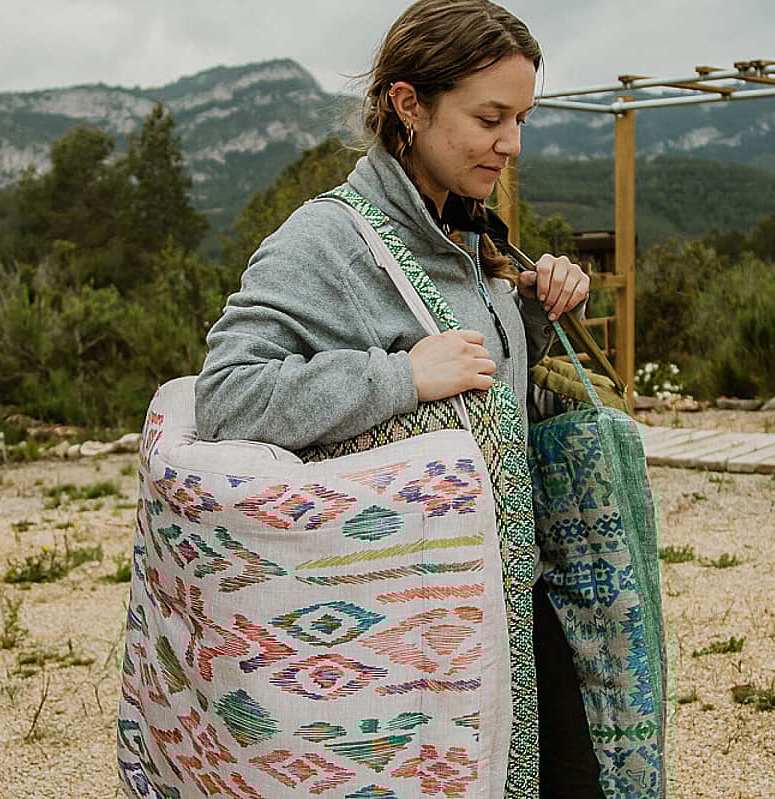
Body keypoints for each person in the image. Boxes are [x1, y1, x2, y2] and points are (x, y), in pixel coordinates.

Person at [195, 1, 601, 796]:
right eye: (490, 117)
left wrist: (535, 316)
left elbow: (483, 400)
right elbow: (227, 392)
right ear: (409, 105)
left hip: (514, 613)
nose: (511, 143)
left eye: (520, 118)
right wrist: (400, 376)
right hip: (410, 648)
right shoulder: (330, 242)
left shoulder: (471, 232)